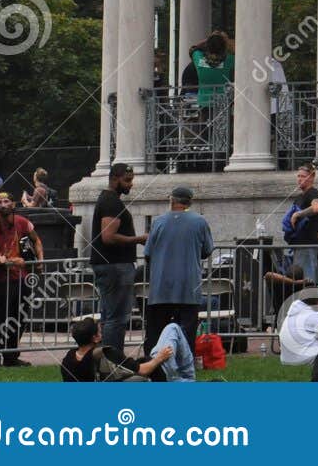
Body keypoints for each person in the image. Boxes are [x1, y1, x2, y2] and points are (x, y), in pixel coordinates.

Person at [143, 185, 214, 354]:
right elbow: (207, 250)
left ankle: (157, 365)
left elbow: (148, 253)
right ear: (189, 202)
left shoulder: (158, 222)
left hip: (161, 289)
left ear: (172, 200)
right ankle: (185, 367)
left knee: (158, 334)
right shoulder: (200, 222)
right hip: (189, 288)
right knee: (187, 333)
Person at [89, 162, 146, 357]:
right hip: (114, 266)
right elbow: (108, 236)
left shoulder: (109, 200)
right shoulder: (111, 202)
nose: (131, 185)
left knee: (110, 317)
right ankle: (113, 361)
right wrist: (139, 239)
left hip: (111, 266)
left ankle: (105, 359)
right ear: (114, 179)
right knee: (117, 318)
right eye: (127, 180)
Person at [0, 192, 42, 366]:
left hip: (22, 279)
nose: (3, 204)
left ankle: (11, 357)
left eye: (6, 201)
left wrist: (40, 261)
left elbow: (37, 240)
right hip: (1, 281)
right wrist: (12, 261)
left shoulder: (22, 222)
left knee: (18, 318)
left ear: (13, 204)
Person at [59, 317, 159, 382]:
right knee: (142, 379)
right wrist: (161, 357)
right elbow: (144, 370)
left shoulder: (67, 359)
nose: (102, 335)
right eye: (100, 332)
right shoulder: (105, 352)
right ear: (95, 337)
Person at [287, 163, 318, 282]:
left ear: (312, 177)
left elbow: (317, 207)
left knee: (307, 278)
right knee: (298, 278)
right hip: (299, 244)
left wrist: (298, 214)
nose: (299, 179)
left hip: (307, 244)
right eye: (298, 176)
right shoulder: (299, 197)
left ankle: (310, 299)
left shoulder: (312, 192)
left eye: (303, 176)